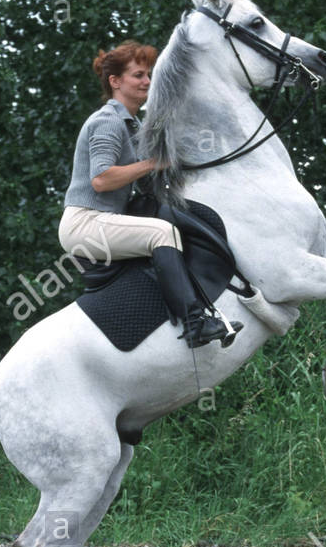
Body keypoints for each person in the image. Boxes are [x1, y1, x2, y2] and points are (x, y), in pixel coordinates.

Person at [60, 40, 241, 348]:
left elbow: (150, 182)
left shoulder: (134, 125)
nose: (147, 81)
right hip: (84, 224)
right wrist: (153, 162)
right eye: (138, 75)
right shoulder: (108, 121)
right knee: (162, 233)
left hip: (104, 221)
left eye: (148, 75)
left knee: (170, 223)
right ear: (115, 82)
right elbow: (101, 181)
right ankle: (194, 323)